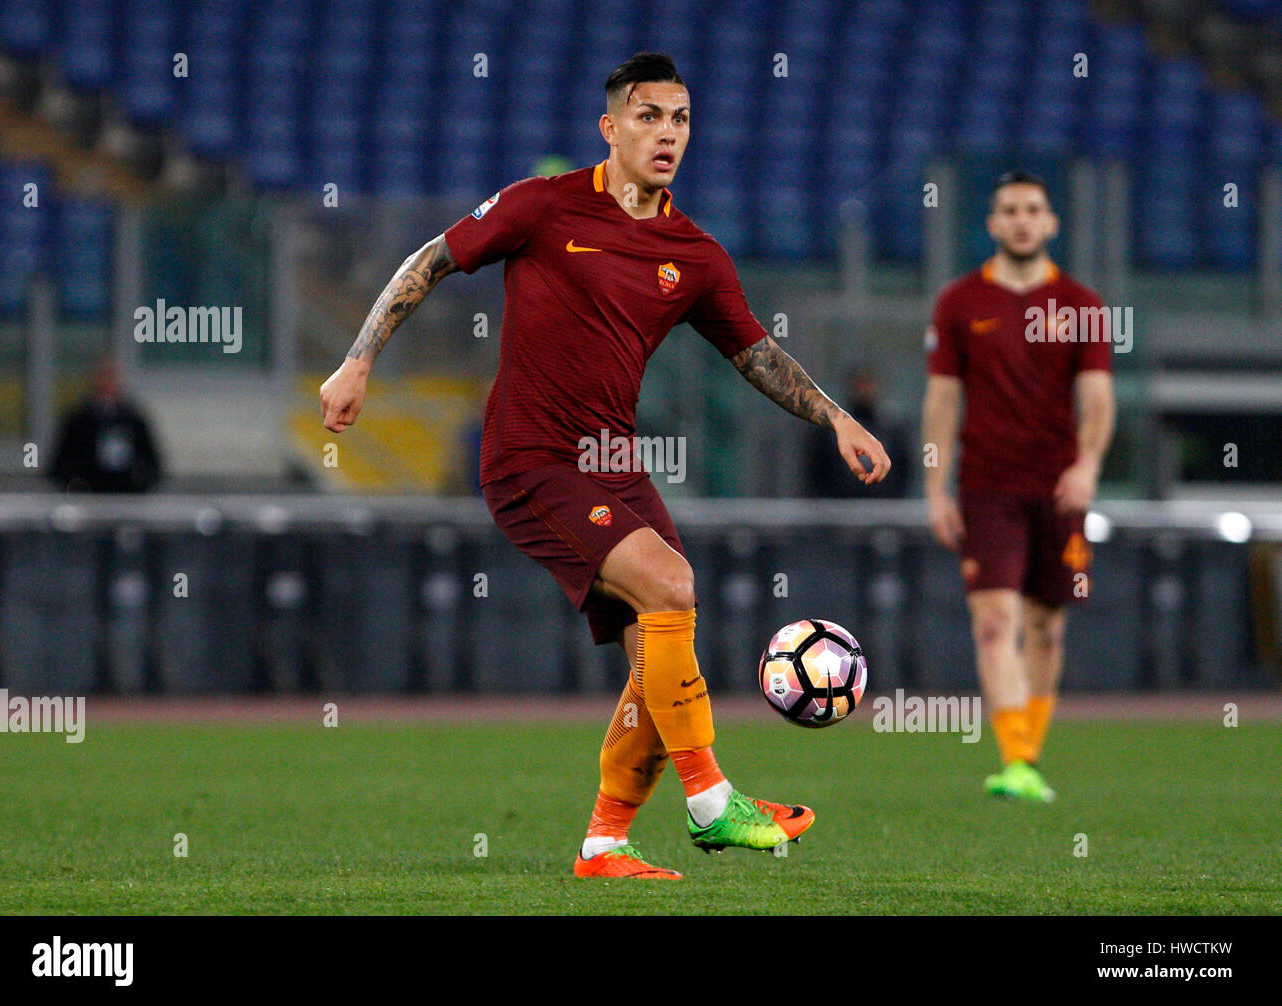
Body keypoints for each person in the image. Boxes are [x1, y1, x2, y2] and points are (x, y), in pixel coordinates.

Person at [320, 52, 890, 879]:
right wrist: (358, 360)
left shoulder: (693, 253)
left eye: (681, 119)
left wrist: (836, 416)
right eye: (649, 116)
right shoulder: (543, 205)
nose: (666, 133)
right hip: (530, 460)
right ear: (611, 127)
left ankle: (604, 845)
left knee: (659, 655)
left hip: (614, 463)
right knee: (671, 589)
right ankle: (710, 803)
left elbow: (755, 353)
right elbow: (429, 262)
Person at [921, 171, 1115, 803]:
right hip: (987, 486)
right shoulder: (959, 302)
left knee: (1047, 625)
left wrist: (1086, 467)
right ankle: (1016, 759)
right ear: (993, 223)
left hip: (1058, 487)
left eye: (1034, 209)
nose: (1023, 220)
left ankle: (1027, 751)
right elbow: (943, 402)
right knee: (995, 620)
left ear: (1051, 222)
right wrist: (934, 485)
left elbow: (1098, 399)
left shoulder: (1083, 305)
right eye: (1010, 210)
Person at [49, 359, 163, 493]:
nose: (106, 381)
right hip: (88, 498)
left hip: (127, 497)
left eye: (110, 376)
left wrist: (139, 482)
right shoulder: (77, 420)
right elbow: (60, 464)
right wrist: (76, 484)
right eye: (102, 375)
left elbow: (152, 463)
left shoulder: (133, 420)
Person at [806, 365, 909, 498]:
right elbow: (815, 468)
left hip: (883, 508)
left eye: (868, 384)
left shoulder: (892, 429)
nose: (864, 390)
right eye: (860, 384)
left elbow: (903, 468)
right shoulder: (830, 429)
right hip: (838, 508)